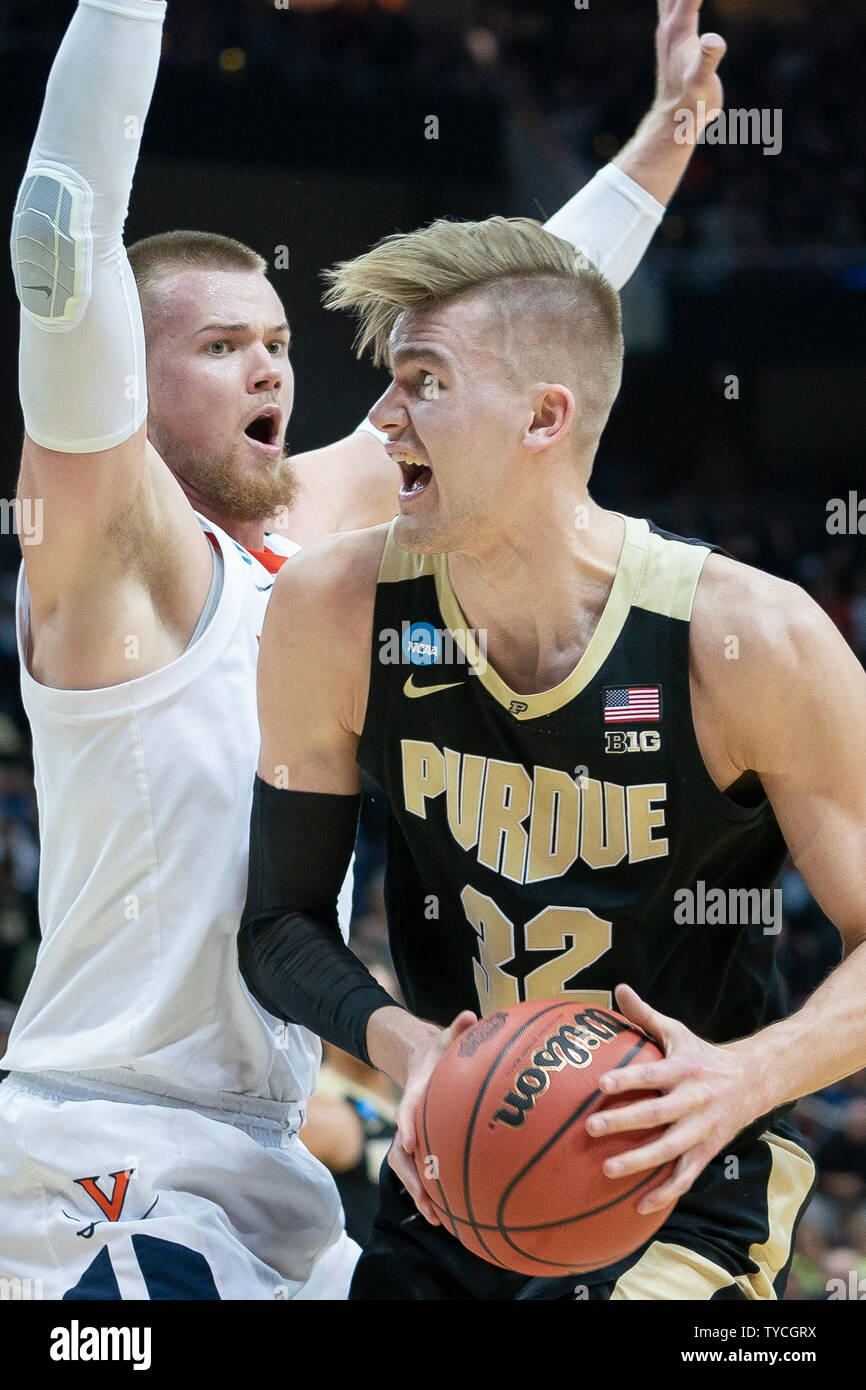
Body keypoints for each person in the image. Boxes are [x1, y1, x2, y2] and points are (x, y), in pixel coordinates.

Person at [0, 0, 710, 1299]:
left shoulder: (309, 531)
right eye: (221, 348)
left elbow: (509, 325)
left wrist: (657, 151)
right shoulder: (110, 560)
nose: (271, 365)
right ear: (122, 382)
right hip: (110, 1158)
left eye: (276, 341)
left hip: (266, 1160)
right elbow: (59, 235)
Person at [240, 127, 866, 1307]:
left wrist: (740, 1078)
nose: (380, 419)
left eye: (422, 381)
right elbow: (275, 921)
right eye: (386, 380)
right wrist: (405, 1044)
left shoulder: (748, 639)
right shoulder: (330, 609)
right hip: (460, 1169)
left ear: (541, 419)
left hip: (686, 1177)